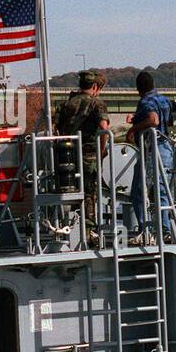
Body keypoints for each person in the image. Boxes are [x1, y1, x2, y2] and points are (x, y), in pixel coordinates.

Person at [53, 70, 110, 231]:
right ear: (94, 86)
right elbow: (103, 127)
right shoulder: (96, 104)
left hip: (67, 156)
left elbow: (55, 128)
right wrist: (102, 149)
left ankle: (68, 226)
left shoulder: (66, 104)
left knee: (70, 191)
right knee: (89, 193)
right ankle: (88, 230)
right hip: (88, 155)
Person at [125, 70, 175, 242]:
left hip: (151, 149)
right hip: (166, 148)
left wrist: (133, 128)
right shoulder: (164, 99)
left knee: (138, 191)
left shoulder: (146, 100)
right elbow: (167, 121)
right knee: (161, 190)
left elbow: (154, 120)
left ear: (138, 88)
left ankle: (144, 229)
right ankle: (165, 230)